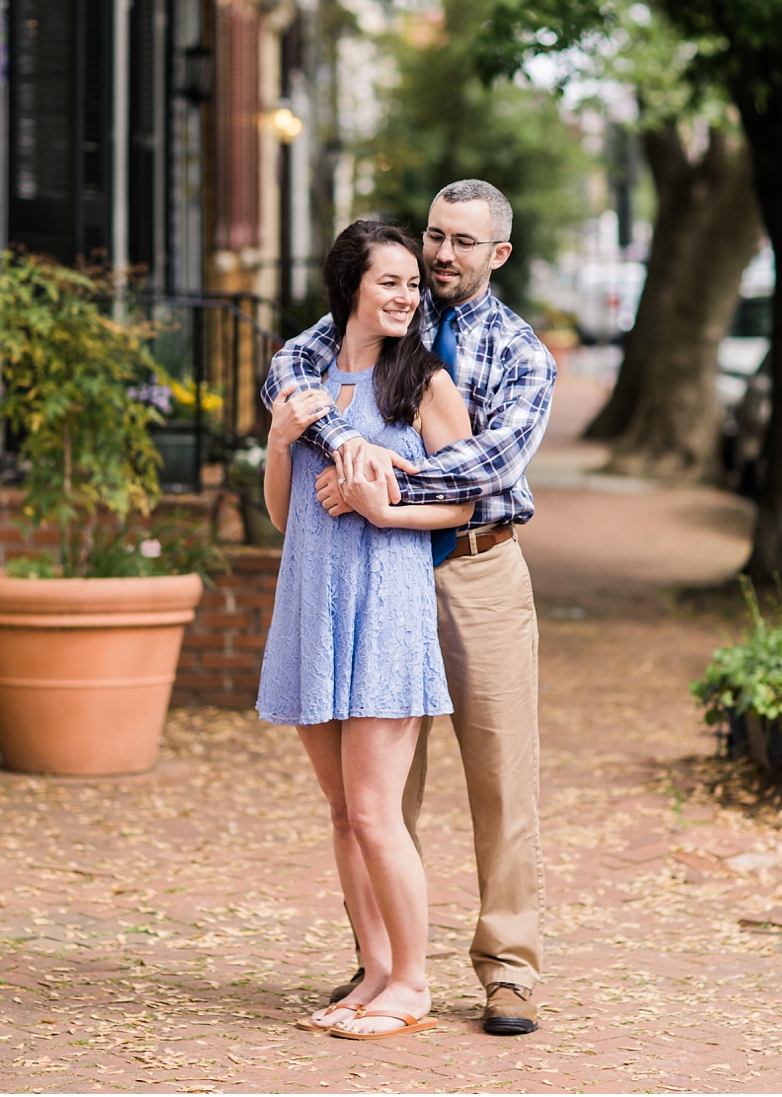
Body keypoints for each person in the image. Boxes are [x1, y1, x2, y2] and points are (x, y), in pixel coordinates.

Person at [262, 179, 556, 1038]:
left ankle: (507, 969)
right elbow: (291, 368)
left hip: (473, 569)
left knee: (500, 777)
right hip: (369, 576)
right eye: (434, 236)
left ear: (497, 253)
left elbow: (484, 471)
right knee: (381, 793)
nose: (439, 256)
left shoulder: (520, 354)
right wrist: (339, 439)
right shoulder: (391, 309)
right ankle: (387, 959)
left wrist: (377, 487)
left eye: (462, 242)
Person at [257, 220, 475, 1040]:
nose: (407, 296)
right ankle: (374, 974)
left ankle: (413, 982)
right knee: (345, 813)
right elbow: (284, 514)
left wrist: (386, 506)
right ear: (351, 284)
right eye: (391, 281)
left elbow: (467, 499)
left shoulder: (422, 383)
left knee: (378, 811)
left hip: (385, 608)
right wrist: (281, 437)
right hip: (313, 604)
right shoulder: (307, 386)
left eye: (413, 285)